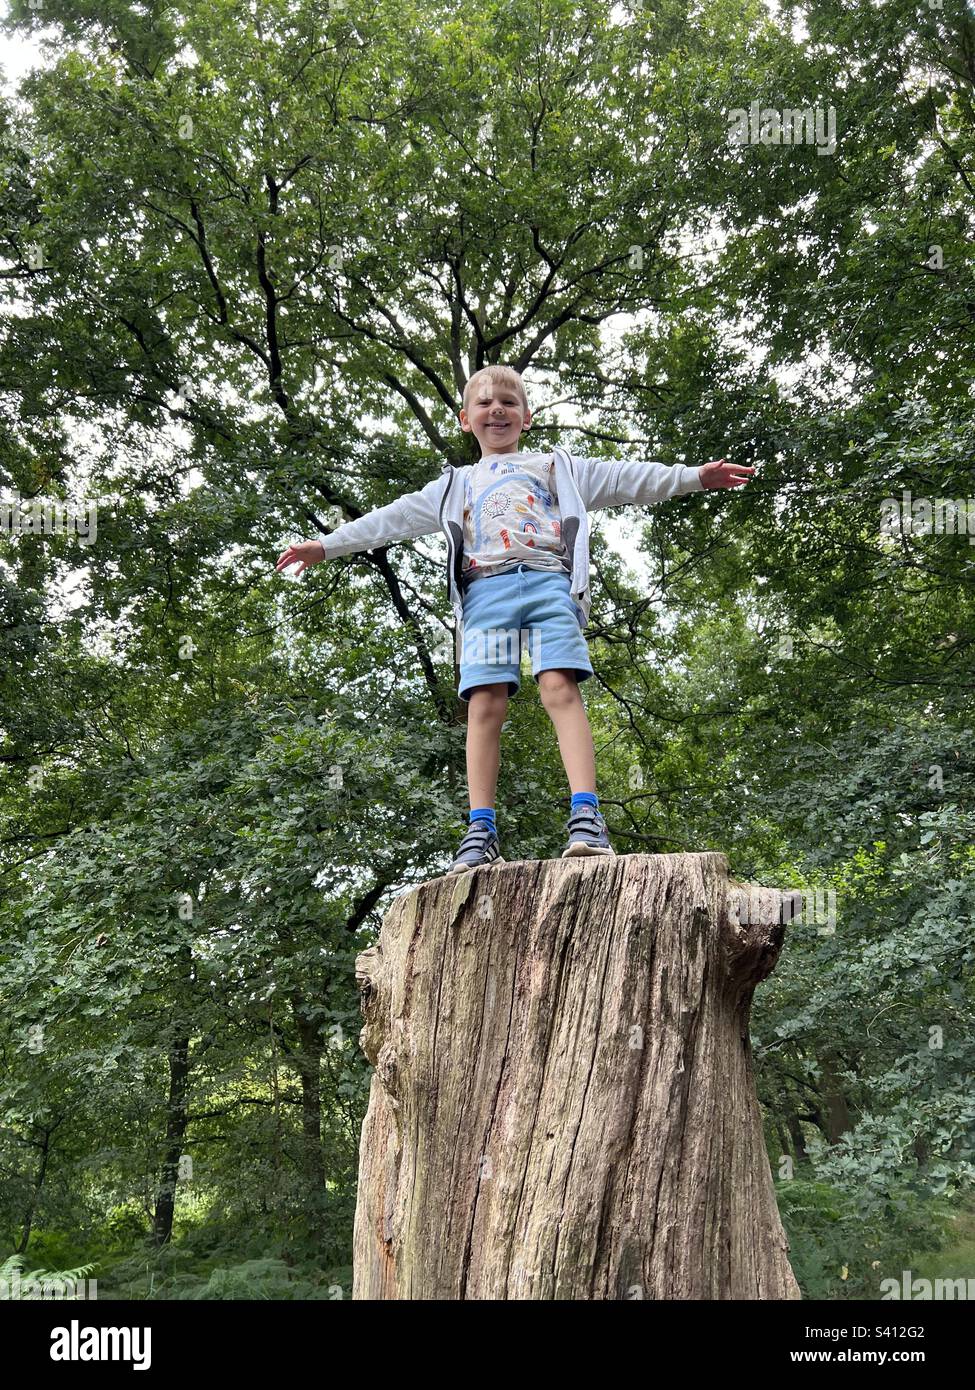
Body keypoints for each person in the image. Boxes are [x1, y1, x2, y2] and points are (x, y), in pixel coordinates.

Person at [276, 365, 754, 873]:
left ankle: (586, 817)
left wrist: (695, 477)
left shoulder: (557, 467)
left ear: (527, 416)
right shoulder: (453, 486)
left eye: (507, 401)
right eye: (483, 403)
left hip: (549, 582)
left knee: (559, 687)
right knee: (484, 702)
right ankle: (480, 829)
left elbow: (626, 477)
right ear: (465, 420)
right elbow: (388, 520)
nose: (496, 409)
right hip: (486, 592)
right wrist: (324, 546)